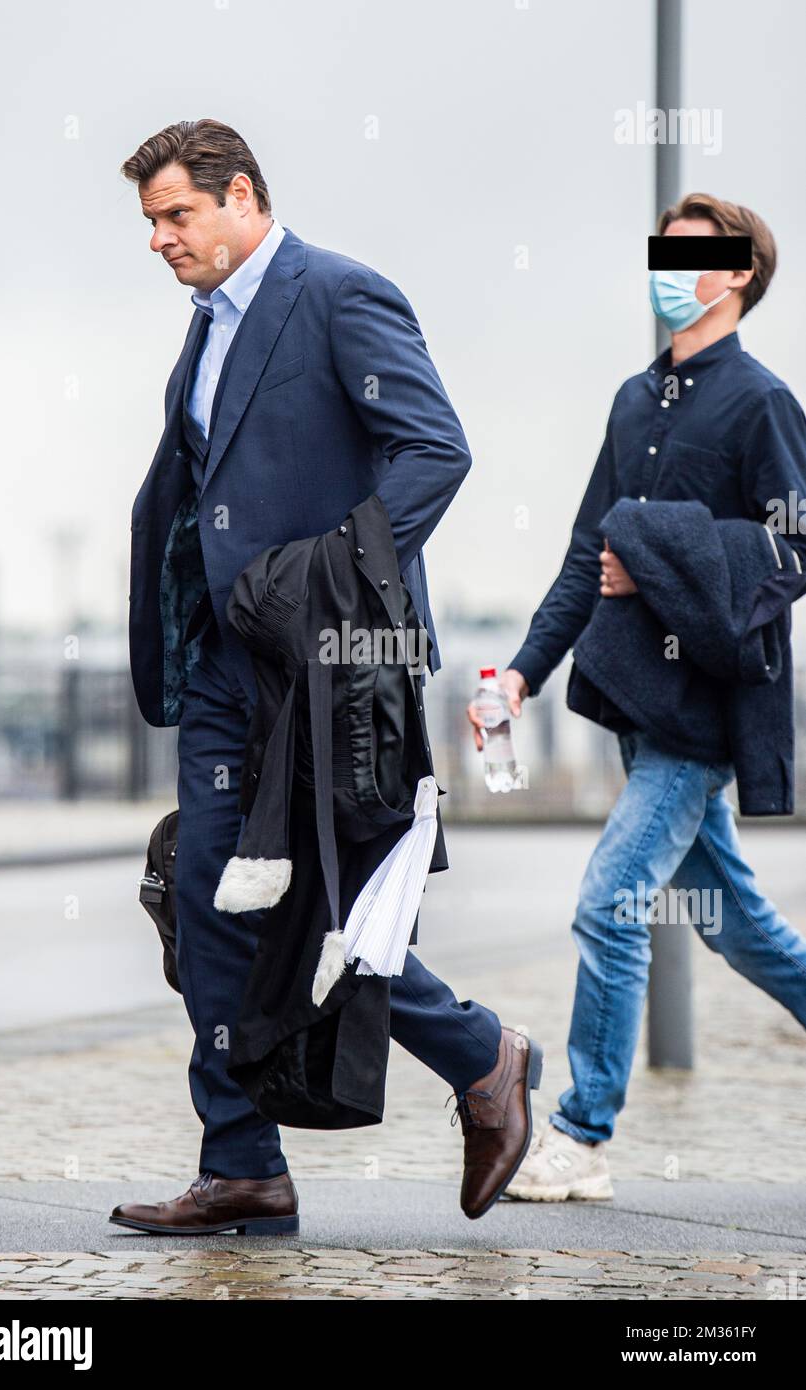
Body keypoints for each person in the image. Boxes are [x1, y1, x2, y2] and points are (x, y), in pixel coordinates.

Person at [113, 119, 543, 1234]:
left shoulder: (339, 294)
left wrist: (325, 576)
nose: (158, 239)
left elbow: (435, 448)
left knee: (337, 914)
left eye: (175, 215)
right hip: (224, 659)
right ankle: (242, 1161)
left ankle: (481, 1053)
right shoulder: (205, 326)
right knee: (204, 900)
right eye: (150, 221)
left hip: (335, 667)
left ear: (241, 196)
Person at [468, 192, 806, 1202]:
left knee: (609, 904)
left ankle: (579, 1131)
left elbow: (791, 547)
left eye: (687, 254)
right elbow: (587, 551)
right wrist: (520, 674)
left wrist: (664, 559)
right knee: (737, 926)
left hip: (700, 722)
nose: (664, 268)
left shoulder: (760, 403)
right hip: (631, 702)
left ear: (738, 272)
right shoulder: (631, 400)